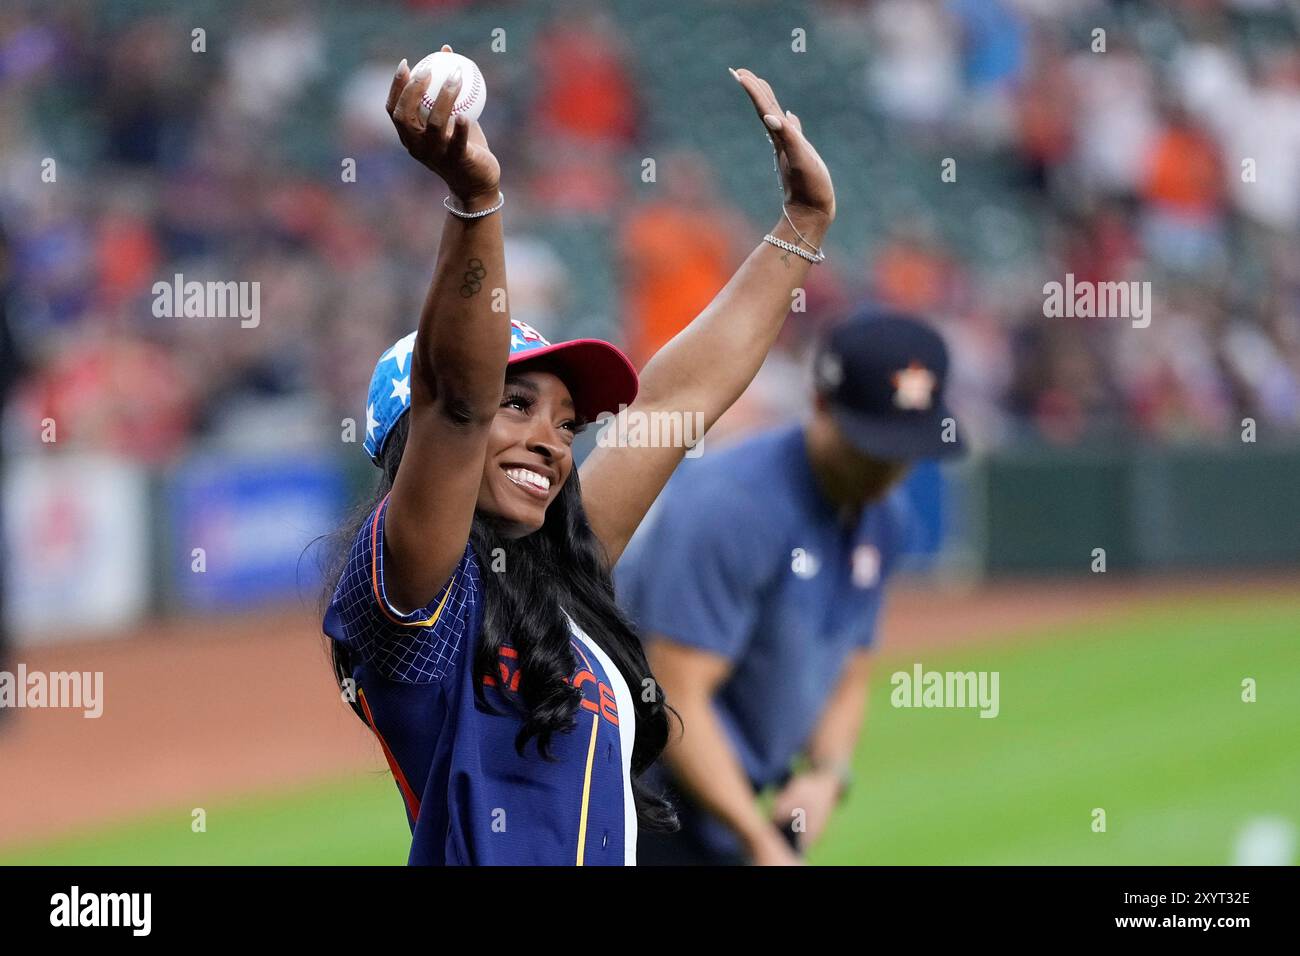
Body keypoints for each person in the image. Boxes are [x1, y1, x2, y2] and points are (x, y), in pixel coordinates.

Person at [321, 47, 836, 865]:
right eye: (517, 405)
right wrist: (475, 201)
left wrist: (801, 228)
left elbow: (674, 403)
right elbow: (455, 402)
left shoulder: (558, 578)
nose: (551, 443)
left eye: (566, 424)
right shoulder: (410, 601)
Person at [617, 310, 965, 865]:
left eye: (904, 448)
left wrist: (827, 774)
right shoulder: (730, 505)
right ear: (821, 404)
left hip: (723, 797)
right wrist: (757, 840)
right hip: (632, 801)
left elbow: (850, 667)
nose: (887, 468)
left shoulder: (885, 517)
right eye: (872, 445)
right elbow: (675, 691)